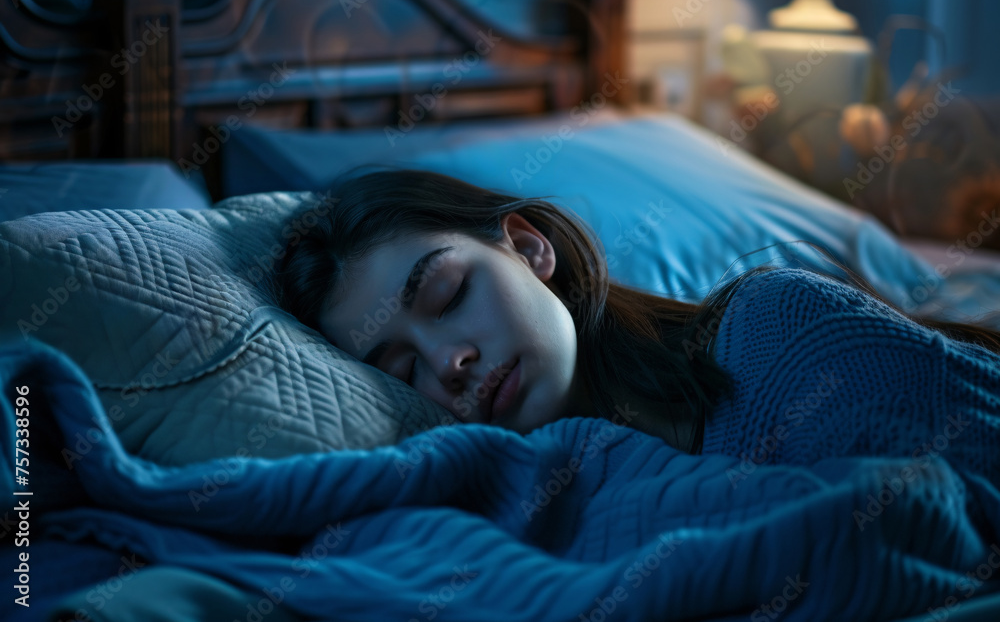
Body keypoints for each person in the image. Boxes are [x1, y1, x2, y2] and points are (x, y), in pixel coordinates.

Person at [277, 169, 1000, 487]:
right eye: (402, 370)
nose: (450, 362)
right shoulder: (516, 516)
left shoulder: (778, 331)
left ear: (529, 248)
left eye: (448, 293)